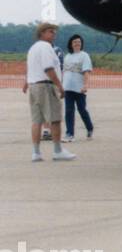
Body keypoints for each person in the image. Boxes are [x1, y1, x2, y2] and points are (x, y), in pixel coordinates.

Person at [25, 23, 75, 162]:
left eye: (54, 32)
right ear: (42, 33)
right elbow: (48, 68)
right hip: (46, 86)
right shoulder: (46, 47)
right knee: (55, 119)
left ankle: (36, 153)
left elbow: (30, 68)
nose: (54, 34)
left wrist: (26, 82)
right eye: (51, 31)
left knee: (36, 121)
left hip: (34, 86)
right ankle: (58, 151)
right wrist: (60, 86)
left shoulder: (33, 48)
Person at [61, 33, 94, 142]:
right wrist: (61, 86)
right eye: (75, 42)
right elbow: (64, 72)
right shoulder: (67, 56)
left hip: (79, 88)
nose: (77, 44)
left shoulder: (84, 55)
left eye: (79, 42)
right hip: (68, 88)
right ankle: (70, 134)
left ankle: (89, 128)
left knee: (82, 109)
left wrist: (85, 85)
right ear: (71, 44)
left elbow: (86, 72)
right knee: (69, 111)